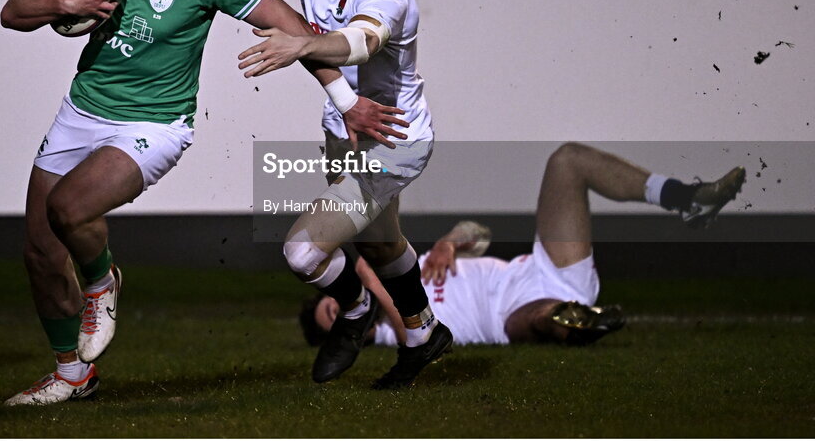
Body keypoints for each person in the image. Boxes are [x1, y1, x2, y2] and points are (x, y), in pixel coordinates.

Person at [0, 0, 404, 406]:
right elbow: (13, 10)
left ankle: (100, 283)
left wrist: (345, 97)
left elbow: (293, 26)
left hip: (155, 123)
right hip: (82, 109)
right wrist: (63, 2)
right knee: (40, 251)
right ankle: (72, 374)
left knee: (69, 208)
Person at [142, 0, 451, 390]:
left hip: (391, 138)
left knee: (304, 250)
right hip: (347, 127)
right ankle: (425, 335)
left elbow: (361, 41)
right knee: (380, 243)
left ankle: (354, 311)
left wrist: (300, 46)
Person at [300, 142, 746, 348]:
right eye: (337, 317)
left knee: (567, 161)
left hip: (541, 270)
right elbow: (405, 323)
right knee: (537, 318)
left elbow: (481, 233)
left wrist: (452, 244)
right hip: (503, 318)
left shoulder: (401, 265)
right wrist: (364, 273)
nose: (345, 305)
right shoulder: (387, 335)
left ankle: (685, 199)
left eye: (333, 303)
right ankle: (578, 323)